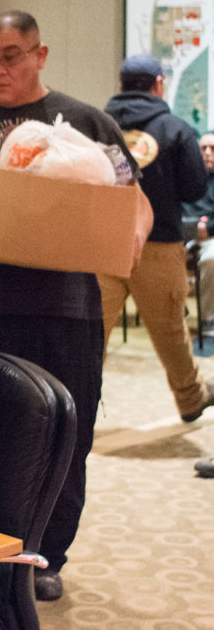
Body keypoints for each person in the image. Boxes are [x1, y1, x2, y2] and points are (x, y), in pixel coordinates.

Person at [0, 10, 153, 601]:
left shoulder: (85, 123)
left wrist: (134, 234)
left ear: (40, 55)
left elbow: (133, 198)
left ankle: (44, 555)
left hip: (64, 312)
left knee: (66, 432)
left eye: (11, 55)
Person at [101, 54, 211, 422]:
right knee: (171, 331)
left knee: (90, 334)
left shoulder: (96, 126)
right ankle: (191, 399)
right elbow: (196, 188)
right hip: (160, 242)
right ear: (158, 84)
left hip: (102, 244)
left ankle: (78, 411)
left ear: (120, 85)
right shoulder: (176, 129)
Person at [184, 131, 214, 332]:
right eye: (203, 148)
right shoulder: (185, 178)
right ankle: (177, 312)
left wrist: (209, 227)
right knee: (158, 258)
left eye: (212, 149)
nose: (207, 153)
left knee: (211, 259)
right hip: (183, 235)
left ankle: (207, 319)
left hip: (211, 238)